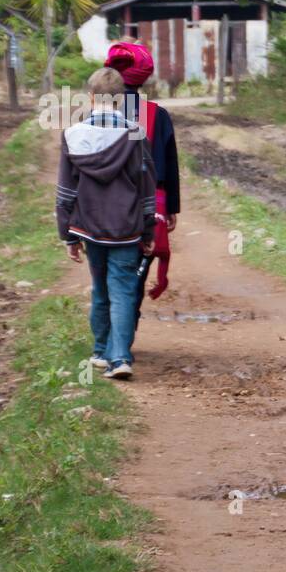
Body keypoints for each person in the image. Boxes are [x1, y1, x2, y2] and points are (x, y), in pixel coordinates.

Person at [56, 67, 156, 380]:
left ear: (91, 97)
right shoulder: (136, 135)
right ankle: (120, 358)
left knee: (100, 289)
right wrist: (149, 227)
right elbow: (146, 186)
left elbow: (66, 191)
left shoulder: (72, 135)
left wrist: (68, 235)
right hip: (126, 228)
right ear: (120, 100)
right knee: (124, 292)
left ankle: (101, 351)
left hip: (89, 227)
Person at [103, 41, 181, 306]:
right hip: (148, 206)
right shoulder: (157, 115)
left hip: (106, 205)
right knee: (137, 270)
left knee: (108, 274)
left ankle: (110, 341)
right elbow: (168, 165)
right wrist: (170, 207)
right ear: (143, 77)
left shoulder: (101, 115)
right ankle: (127, 327)